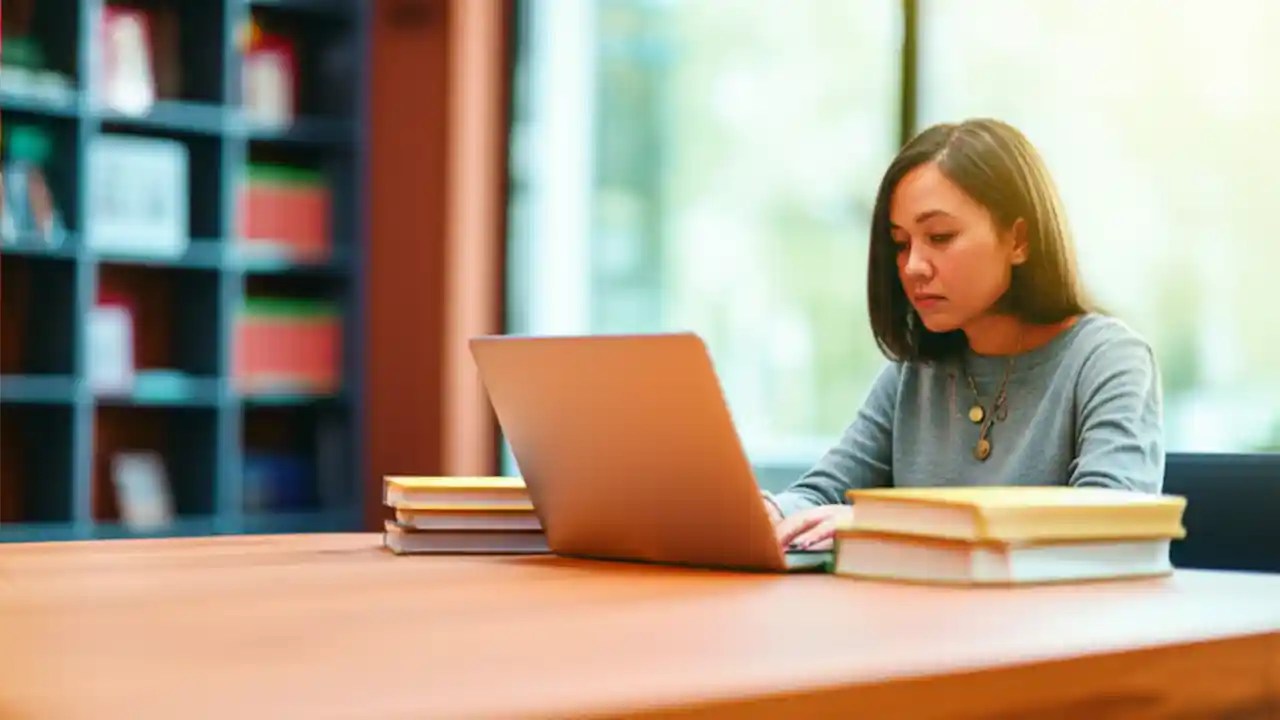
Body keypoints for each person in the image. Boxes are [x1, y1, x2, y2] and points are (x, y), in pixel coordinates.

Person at [763, 118, 1164, 552]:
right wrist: (771, 514)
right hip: (928, 618)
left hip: (1057, 619)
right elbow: (824, 492)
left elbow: (1106, 526)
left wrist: (885, 523)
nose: (913, 266)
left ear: (1019, 240)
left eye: (940, 236)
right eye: (901, 244)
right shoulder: (913, 374)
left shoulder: (1108, 359)